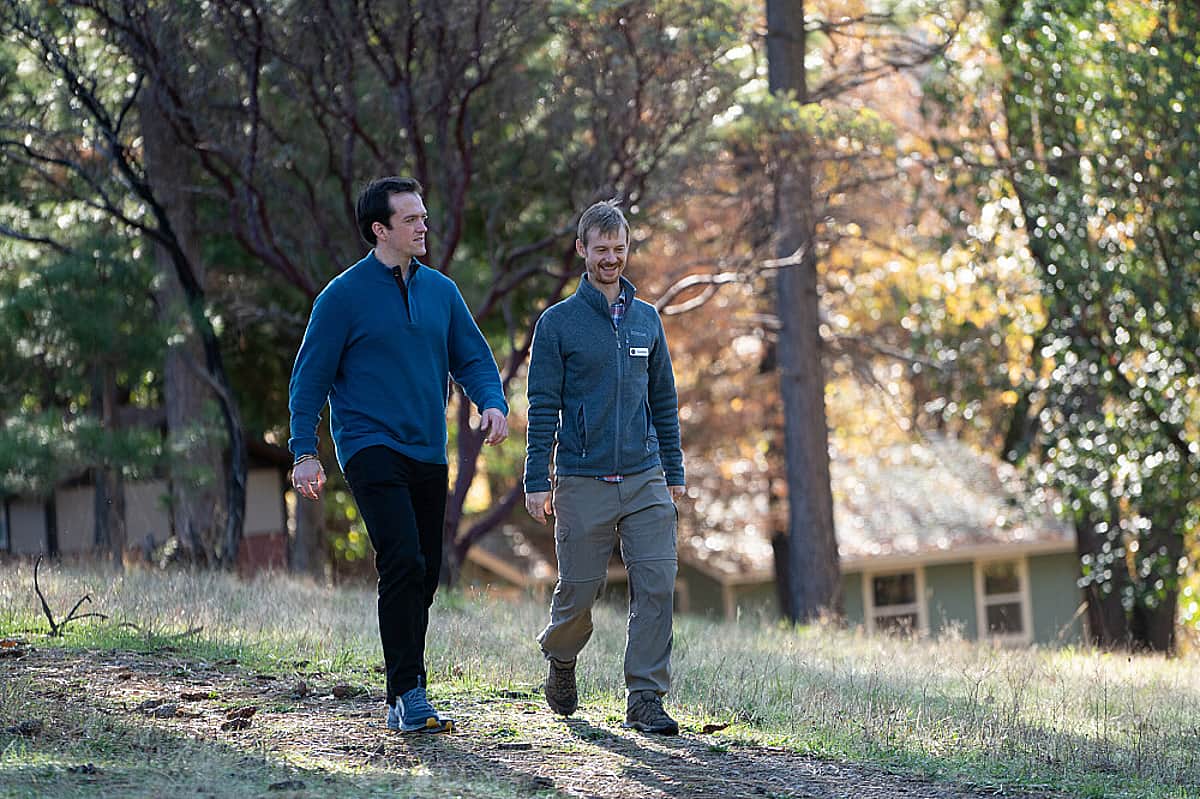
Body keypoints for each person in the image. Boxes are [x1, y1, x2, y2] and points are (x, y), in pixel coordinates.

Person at [288, 176, 508, 734]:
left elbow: (474, 358)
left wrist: (492, 403)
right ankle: (408, 693)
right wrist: (303, 451)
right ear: (380, 229)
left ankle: (404, 692)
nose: (423, 226)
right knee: (403, 559)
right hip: (369, 445)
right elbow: (309, 379)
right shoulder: (341, 296)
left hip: (427, 448)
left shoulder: (441, 291)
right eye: (410, 219)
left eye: (423, 217)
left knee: (426, 571)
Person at [524, 200, 686, 735]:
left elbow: (663, 399)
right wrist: (535, 480)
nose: (611, 259)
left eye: (619, 249)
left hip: (644, 476)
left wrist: (674, 470)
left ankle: (644, 698)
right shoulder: (557, 324)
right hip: (581, 477)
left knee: (657, 583)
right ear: (582, 251)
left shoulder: (647, 320)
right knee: (579, 590)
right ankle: (562, 660)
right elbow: (543, 405)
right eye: (601, 249)